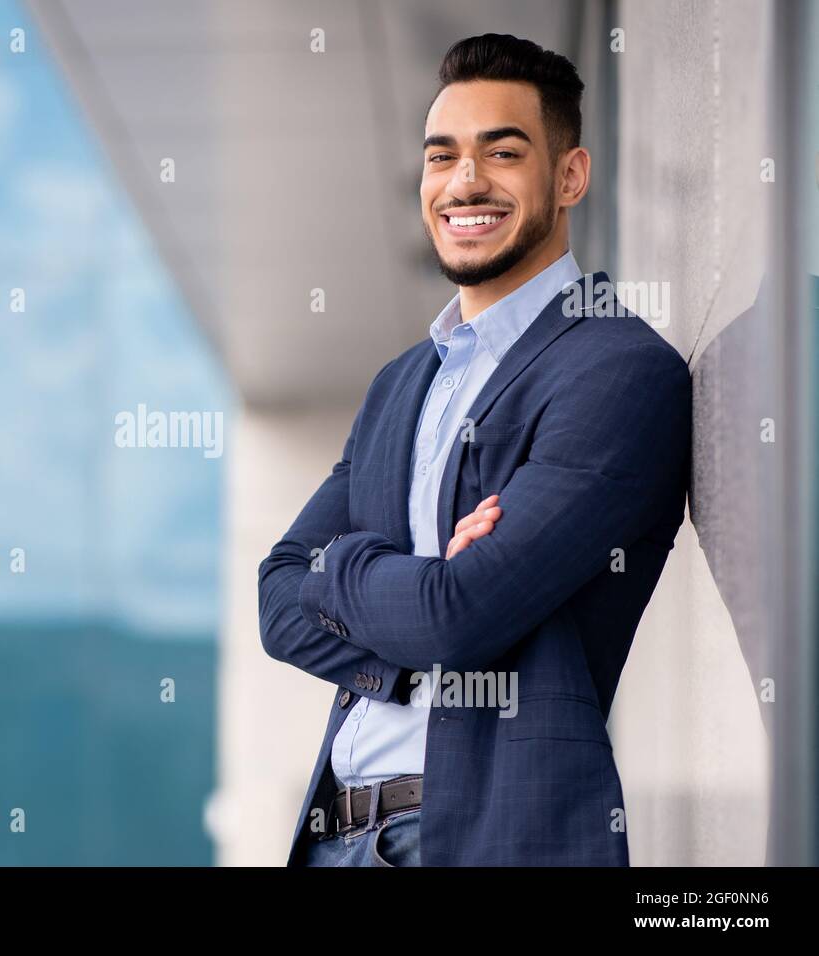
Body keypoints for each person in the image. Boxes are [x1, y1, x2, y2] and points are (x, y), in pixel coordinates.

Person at [258, 33, 692, 866]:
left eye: (503, 152)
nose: (465, 182)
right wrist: (413, 595)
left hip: (476, 839)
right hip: (333, 838)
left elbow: (459, 615)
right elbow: (279, 599)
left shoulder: (617, 369)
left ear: (570, 177)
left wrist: (345, 566)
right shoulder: (400, 383)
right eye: (442, 156)